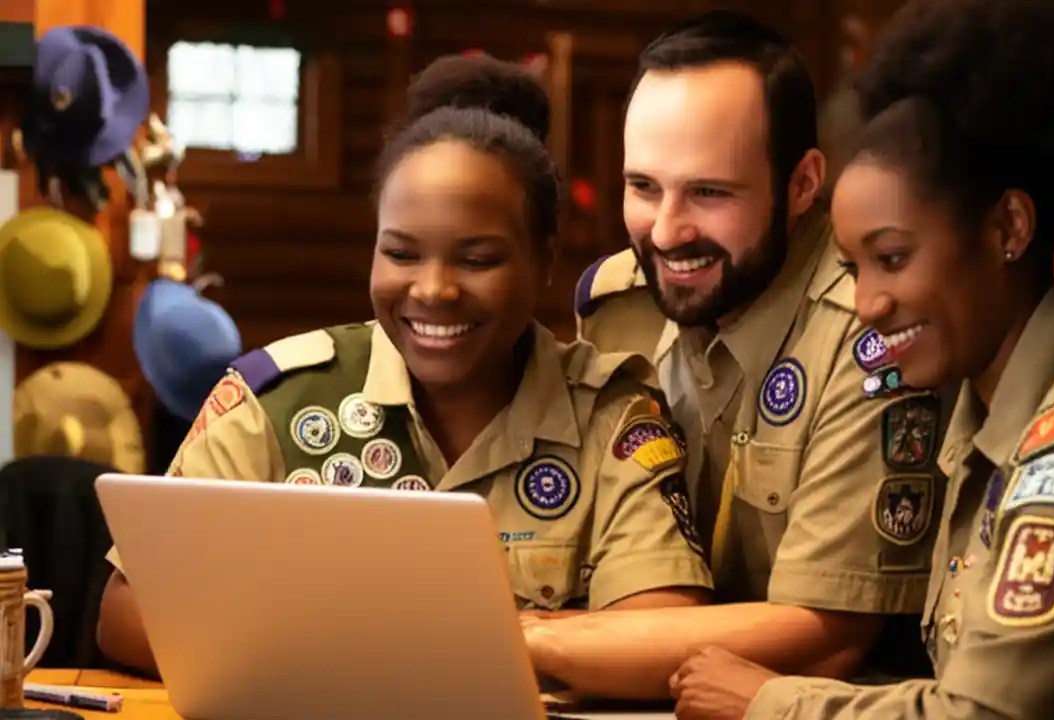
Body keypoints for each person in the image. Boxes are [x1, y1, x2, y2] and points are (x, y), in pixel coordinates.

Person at [668, 1, 1054, 718]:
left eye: (893, 258)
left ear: (1008, 229)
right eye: (854, 267)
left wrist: (769, 702)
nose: (868, 303)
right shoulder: (976, 403)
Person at [95, 54, 712, 678]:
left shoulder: (612, 418)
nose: (432, 290)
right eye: (401, 253)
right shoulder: (276, 402)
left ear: (543, 259)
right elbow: (127, 611)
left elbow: (662, 632)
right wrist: (380, 656)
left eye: (477, 260)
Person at [525, 10, 944, 701]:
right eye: (643, 187)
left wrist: (543, 641)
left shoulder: (868, 331)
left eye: (709, 193)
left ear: (803, 184)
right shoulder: (617, 302)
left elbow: (828, 634)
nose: (665, 232)